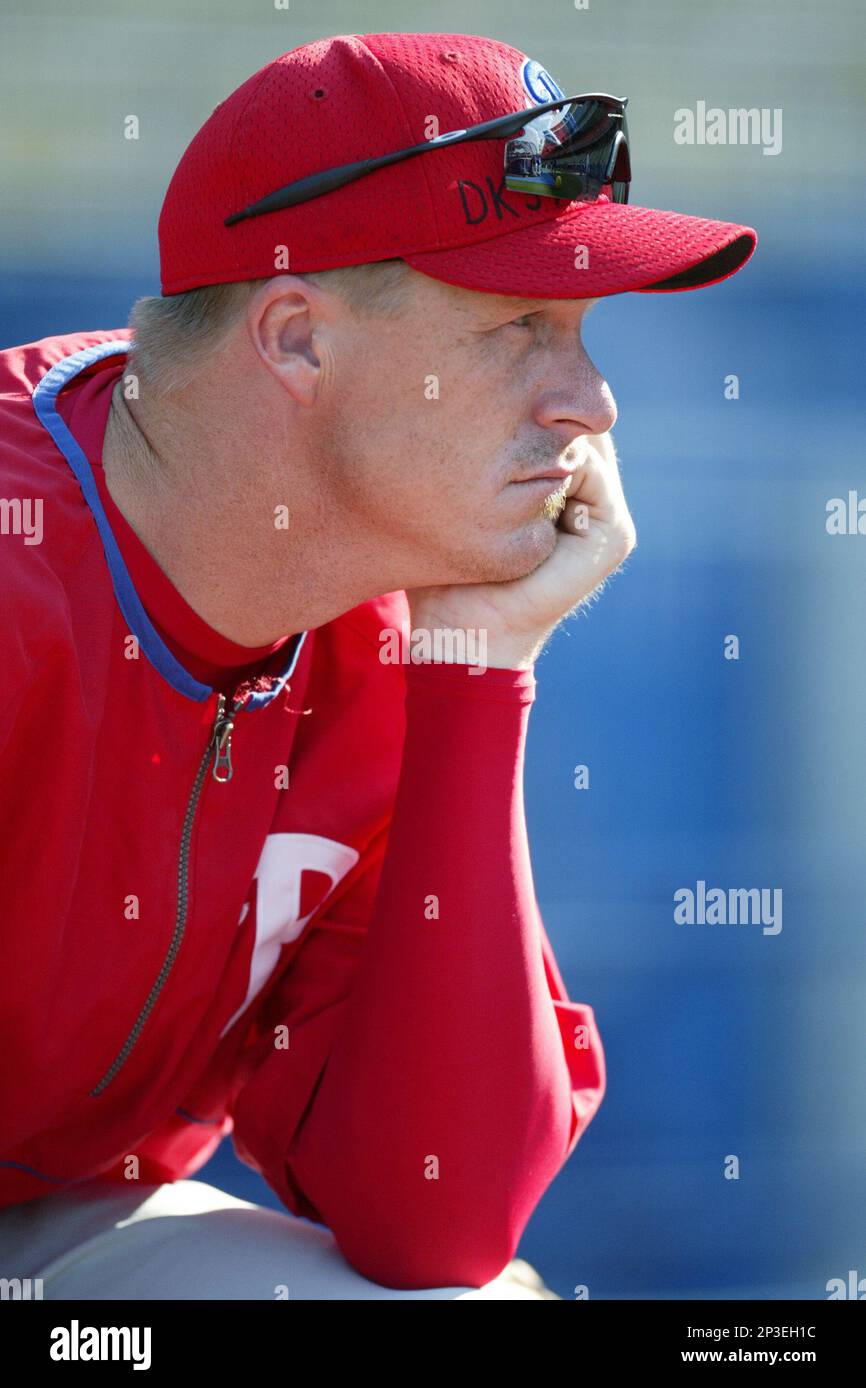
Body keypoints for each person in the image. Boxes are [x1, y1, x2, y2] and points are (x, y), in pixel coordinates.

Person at [0, 31, 756, 1300]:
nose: (589, 403)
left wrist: (481, 668)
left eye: (579, 331)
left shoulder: (370, 620)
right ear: (295, 341)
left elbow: (435, 1219)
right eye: (520, 325)